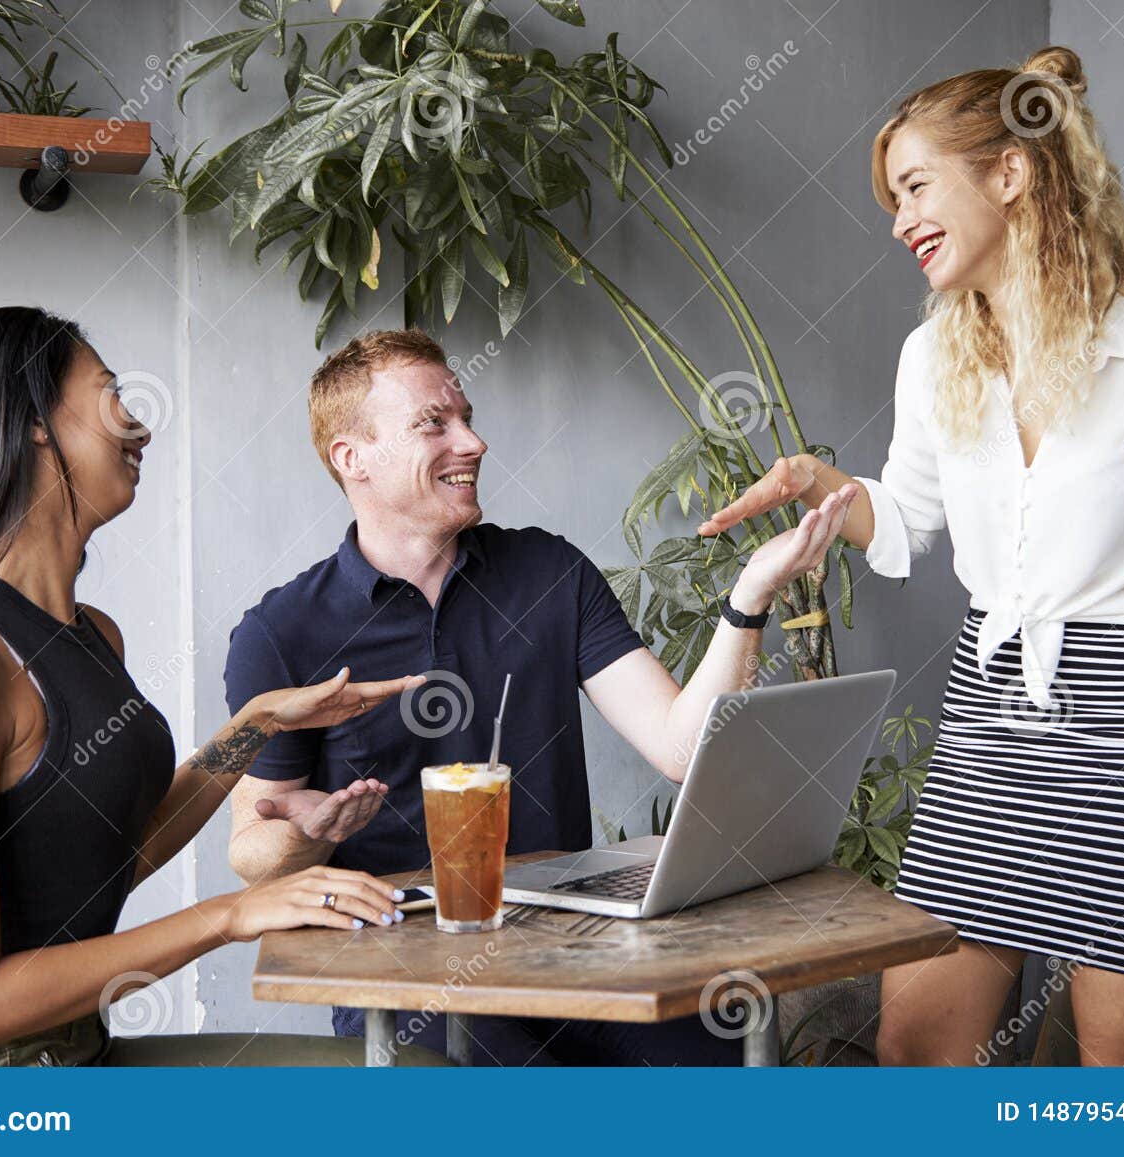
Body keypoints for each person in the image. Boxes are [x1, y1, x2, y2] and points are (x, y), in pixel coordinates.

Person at [697, 47, 1124, 1066]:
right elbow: (905, 524)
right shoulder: (932, 354)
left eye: (915, 187)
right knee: (916, 1057)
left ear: (1011, 175)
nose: (899, 221)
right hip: (986, 740)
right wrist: (825, 485)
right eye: (892, 199)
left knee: (1122, 1087)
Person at [223, 328, 858, 1065]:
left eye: (466, 415)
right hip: (406, 976)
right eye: (436, 423)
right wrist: (316, 830)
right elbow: (253, 853)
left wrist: (750, 594)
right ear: (351, 457)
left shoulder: (550, 571)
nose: (474, 441)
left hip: (573, 951)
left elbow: (685, 748)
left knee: (717, 1059)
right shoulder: (277, 633)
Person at [0, 306, 442, 1067]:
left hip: (80, 1055)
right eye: (110, 394)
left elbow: (109, 853)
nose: (140, 423)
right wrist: (231, 914)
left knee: (420, 1077)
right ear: (35, 423)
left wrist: (259, 722)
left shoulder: (92, 633)